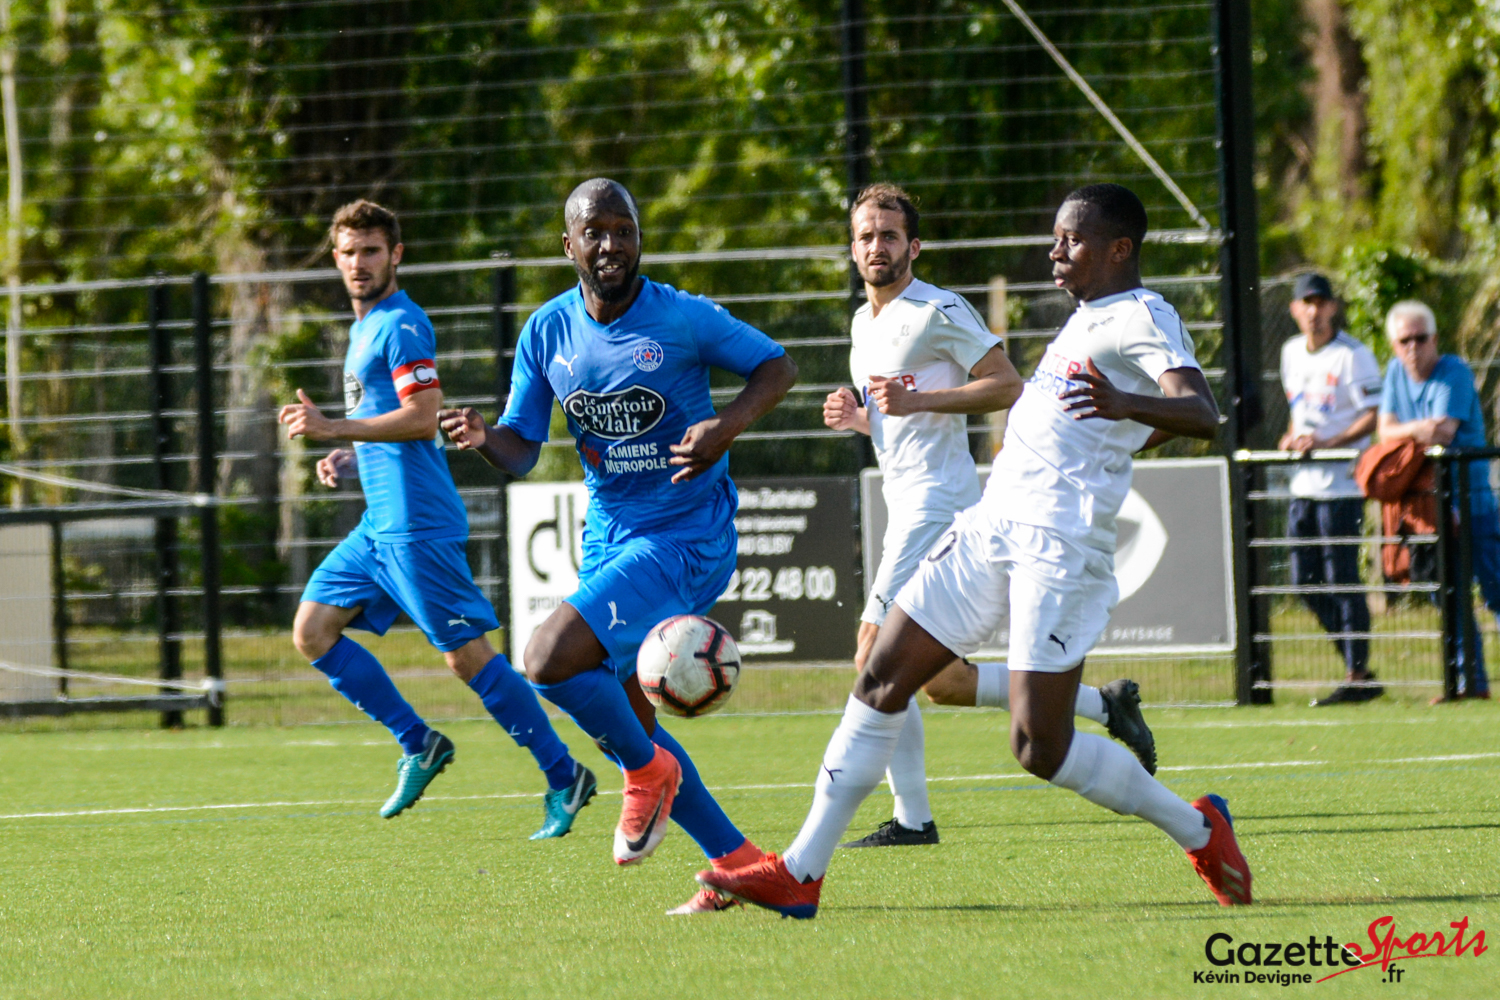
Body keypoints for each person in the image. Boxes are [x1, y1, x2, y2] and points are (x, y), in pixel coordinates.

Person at [700, 184, 1251, 918]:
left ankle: (1199, 828)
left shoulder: (1142, 314)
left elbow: (1201, 412)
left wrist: (1126, 409)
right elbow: (1099, 423)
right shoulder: (1085, 319)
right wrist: (1117, 430)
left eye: (1072, 241)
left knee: (1039, 747)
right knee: (882, 674)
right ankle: (801, 871)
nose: (1056, 252)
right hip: (991, 526)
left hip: (1058, 549)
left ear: (1120, 249)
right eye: (1055, 238)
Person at [438, 178, 798, 913]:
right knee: (632, 727)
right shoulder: (546, 332)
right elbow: (523, 452)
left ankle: (648, 778)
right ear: (566, 244)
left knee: (545, 657)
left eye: (623, 229)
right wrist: (483, 441)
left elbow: (777, 366)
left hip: (686, 537)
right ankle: (746, 868)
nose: (611, 245)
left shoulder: (682, 317)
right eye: (594, 232)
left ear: (639, 237)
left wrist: (725, 426)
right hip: (610, 540)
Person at [825, 182, 1159, 849]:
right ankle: (1103, 704)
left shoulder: (936, 308)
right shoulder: (865, 324)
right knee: (942, 682)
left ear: (913, 247)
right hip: (904, 502)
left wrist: (918, 402)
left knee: (872, 653)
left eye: (889, 236)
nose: (876, 247)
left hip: (937, 506)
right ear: (853, 247)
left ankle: (913, 820)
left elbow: (1008, 384)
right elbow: (901, 417)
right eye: (866, 236)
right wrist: (864, 419)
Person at [277, 200, 596, 834]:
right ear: (335, 259)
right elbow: (394, 418)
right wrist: (351, 449)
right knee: (312, 630)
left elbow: (424, 415)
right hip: (379, 528)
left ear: (395, 256)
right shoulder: (364, 328)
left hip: (417, 525)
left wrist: (331, 427)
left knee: (468, 658)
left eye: (371, 250)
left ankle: (565, 775)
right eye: (348, 252)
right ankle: (418, 742)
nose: (358, 263)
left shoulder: (400, 324)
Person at [1378, 300, 1496, 700]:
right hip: (1430, 509)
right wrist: (1418, 428)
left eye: (1420, 338)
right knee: (1449, 599)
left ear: (1435, 340)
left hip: (1473, 503)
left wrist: (1406, 430)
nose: (1413, 347)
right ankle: (1469, 684)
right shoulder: (1396, 372)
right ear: (1394, 345)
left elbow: (1443, 432)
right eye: (1404, 340)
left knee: (1496, 591)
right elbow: (1384, 431)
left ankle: (1469, 682)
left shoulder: (1454, 372)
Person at [1277, 273, 1384, 706]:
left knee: (1342, 577)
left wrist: (1327, 443)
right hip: (1303, 484)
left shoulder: (1352, 355)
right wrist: (1291, 437)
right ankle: (1356, 666)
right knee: (1304, 581)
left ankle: (1356, 673)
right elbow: (1298, 412)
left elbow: (1372, 415)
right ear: (1295, 309)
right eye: (1307, 302)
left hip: (1341, 483)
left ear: (1333, 307)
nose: (1315, 311)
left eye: (1322, 302)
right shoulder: (1289, 352)